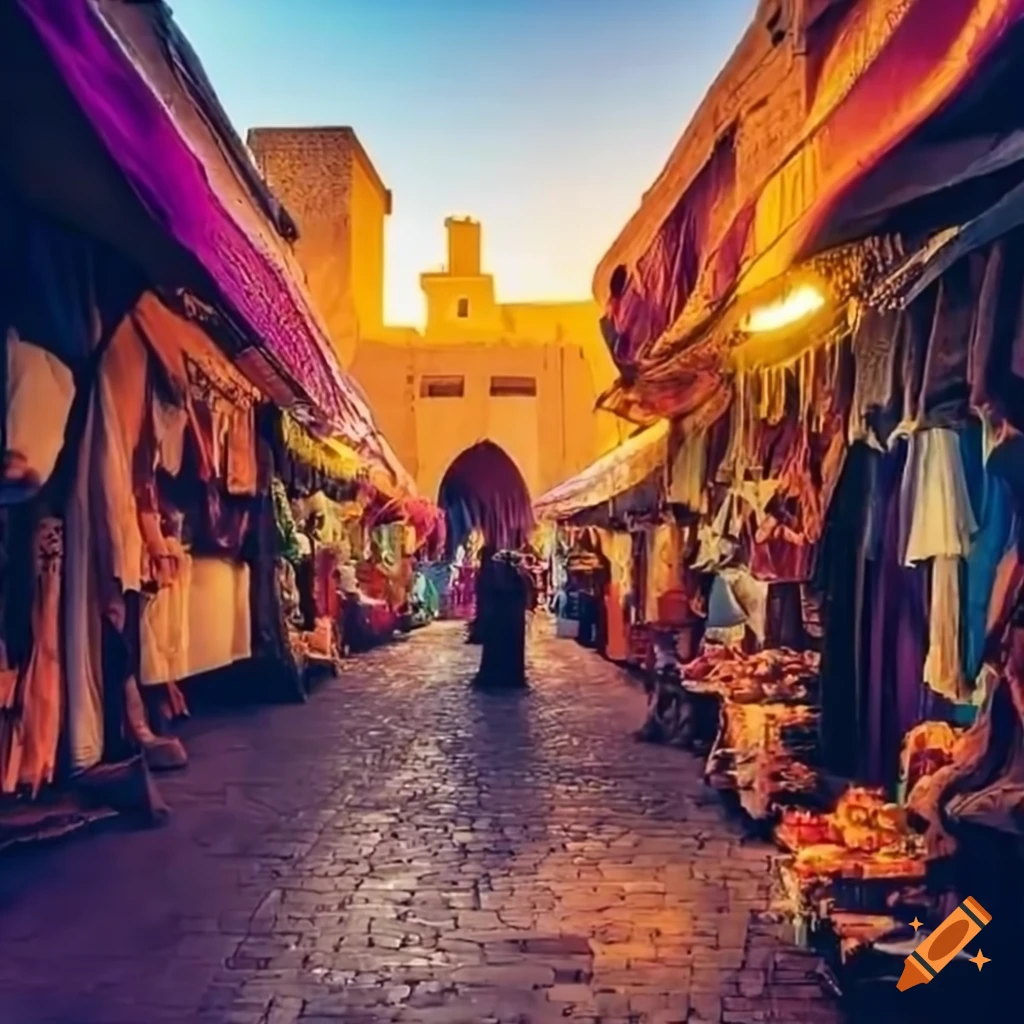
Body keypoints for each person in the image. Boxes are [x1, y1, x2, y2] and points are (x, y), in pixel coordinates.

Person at [473, 551, 529, 690]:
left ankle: (500, 677)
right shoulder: (515, 581)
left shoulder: (501, 581)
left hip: (502, 622)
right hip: (507, 623)